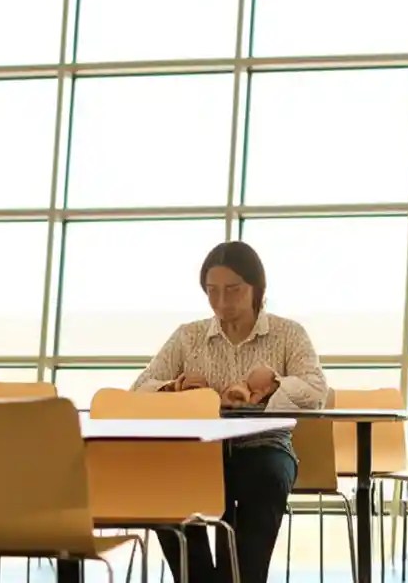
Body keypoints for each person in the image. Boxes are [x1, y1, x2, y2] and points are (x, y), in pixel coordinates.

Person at [132, 240, 327, 583]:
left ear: (257, 289)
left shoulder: (287, 334)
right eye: (212, 291)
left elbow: (316, 392)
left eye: (233, 290)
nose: (222, 302)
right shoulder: (188, 337)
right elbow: (140, 389)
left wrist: (274, 385)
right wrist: (174, 389)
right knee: (162, 486)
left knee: (264, 478)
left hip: (265, 449)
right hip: (200, 453)